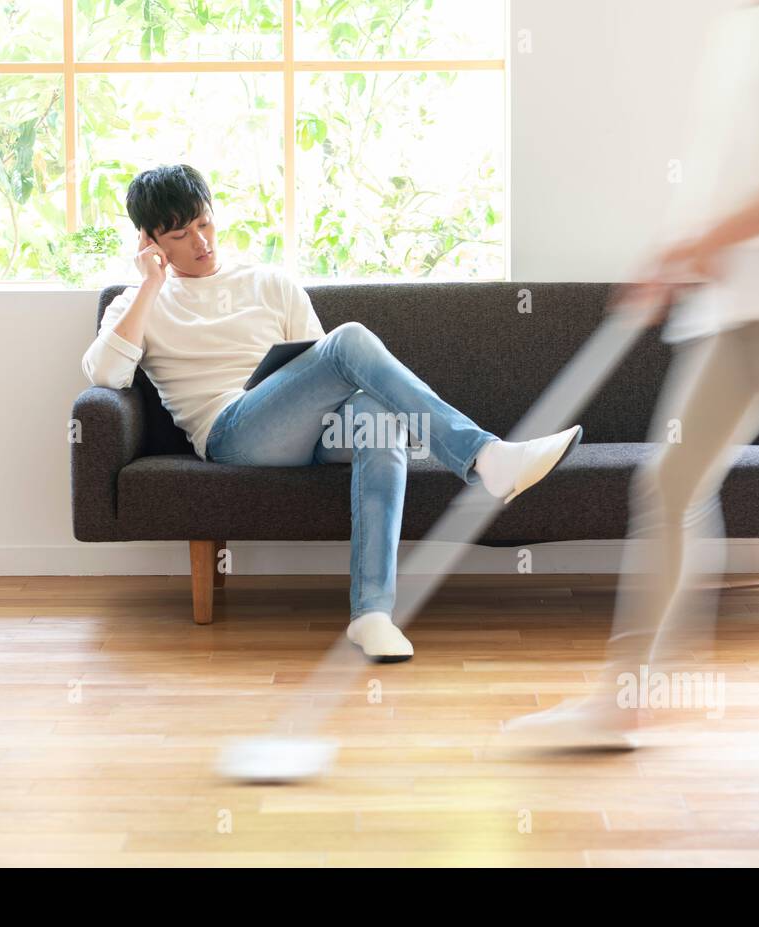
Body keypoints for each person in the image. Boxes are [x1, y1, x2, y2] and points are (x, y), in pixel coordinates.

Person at [500, 0, 759, 756]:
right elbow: (739, 168)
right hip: (740, 302)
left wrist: (706, 239)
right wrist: (682, 252)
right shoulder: (748, 27)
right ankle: (629, 696)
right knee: (670, 484)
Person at [83, 164, 581, 663]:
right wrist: (150, 283)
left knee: (376, 419)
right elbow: (106, 376)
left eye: (205, 223)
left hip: (309, 429)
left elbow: (327, 373)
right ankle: (486, 458)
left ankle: (372, 615)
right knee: (349, 340)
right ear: (150, 241)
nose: (201, 241)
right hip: (231, 434)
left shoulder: (270, 283)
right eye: (180, 234)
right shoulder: (137, 304)